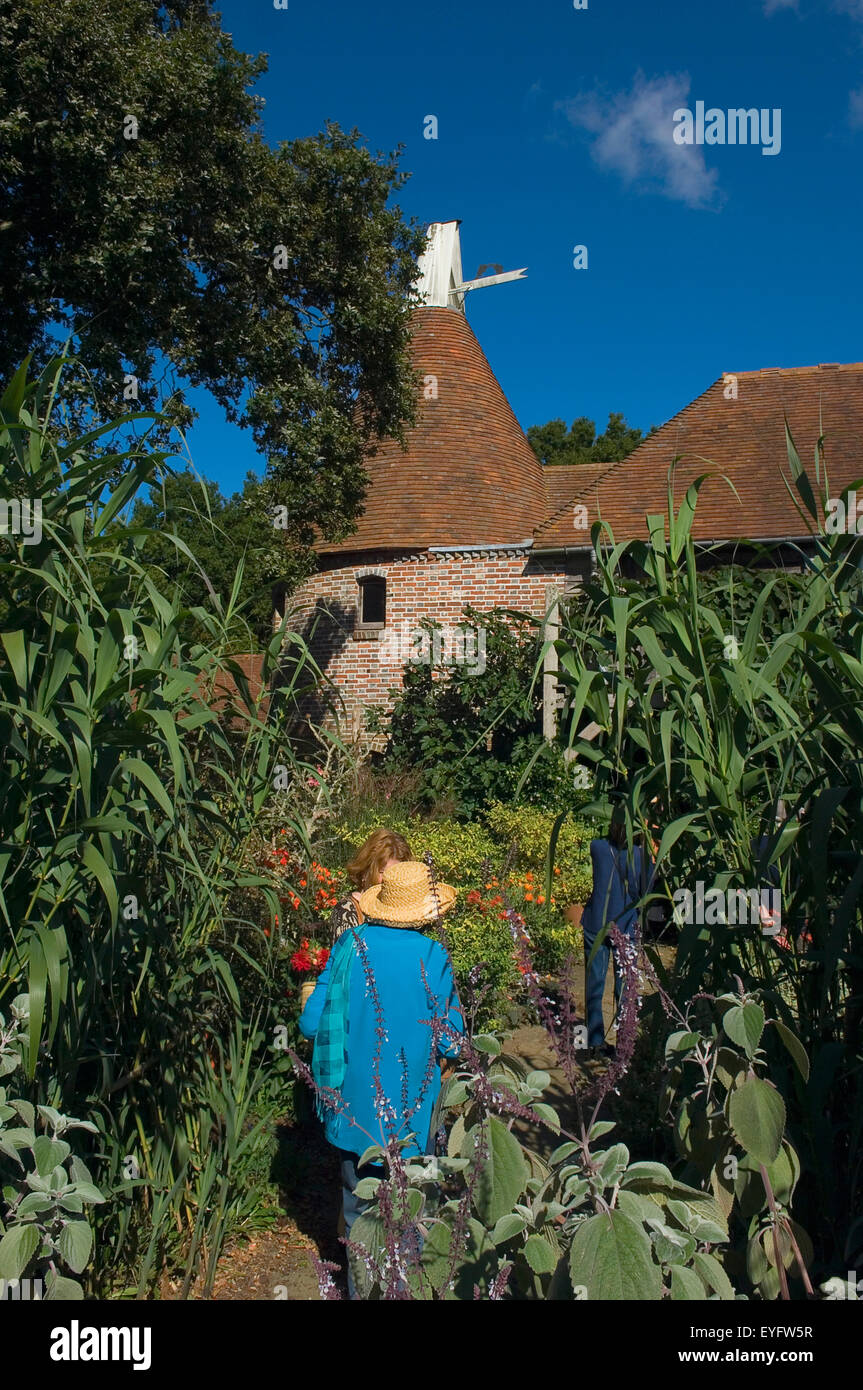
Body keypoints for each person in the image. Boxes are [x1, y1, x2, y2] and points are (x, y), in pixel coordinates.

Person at [298, 860, 464, 1298]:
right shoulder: (433, 956)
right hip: (411, 1117)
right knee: (409, 1224)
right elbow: (453, 1042)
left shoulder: (350, 946)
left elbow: (311, 1024)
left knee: (358, 1225)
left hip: (355, 1117)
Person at [579, 811, 651, 1058]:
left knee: (594, 984)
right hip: (626, 925)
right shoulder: (641, 857)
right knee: (625, 989)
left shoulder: (597, 847)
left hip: (595, 923)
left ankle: (593, 1042)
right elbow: (646, 889)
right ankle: (623, 1045)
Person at [327, 828, 413, 944]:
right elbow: (348, 958)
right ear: (365, 871)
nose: (389, 879)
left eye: (395, 873)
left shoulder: (404, 910)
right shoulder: (347, 911)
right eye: (383, 872)